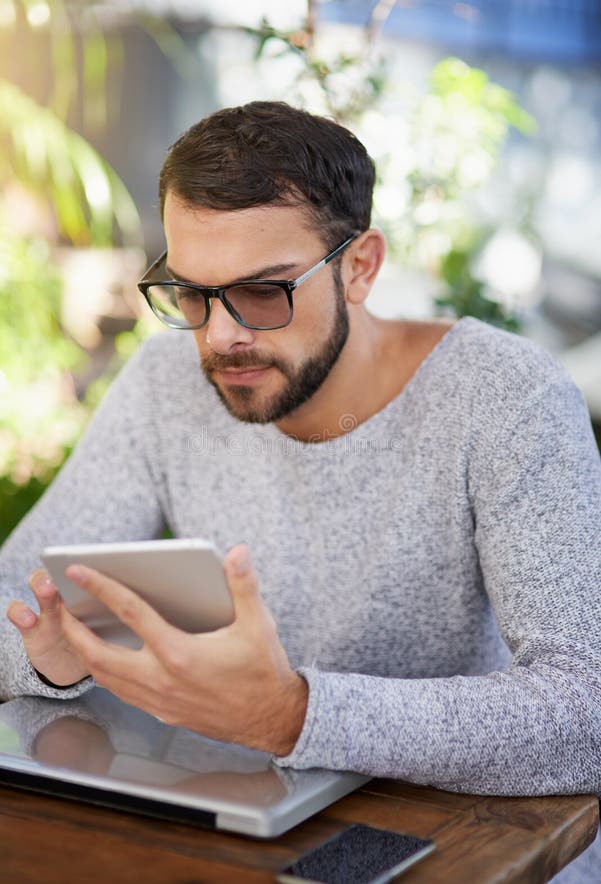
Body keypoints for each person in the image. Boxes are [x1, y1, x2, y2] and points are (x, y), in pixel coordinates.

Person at [1, 102, 599, 880]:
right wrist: (49, 659)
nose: (219, 337)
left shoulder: (504, 399)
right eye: (191, 291)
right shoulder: (164, 382)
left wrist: (294, 714)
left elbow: (584, 714)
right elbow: (13, 596)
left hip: (448, 839)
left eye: (263, 291)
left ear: (360, 267)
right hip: (223, 811)